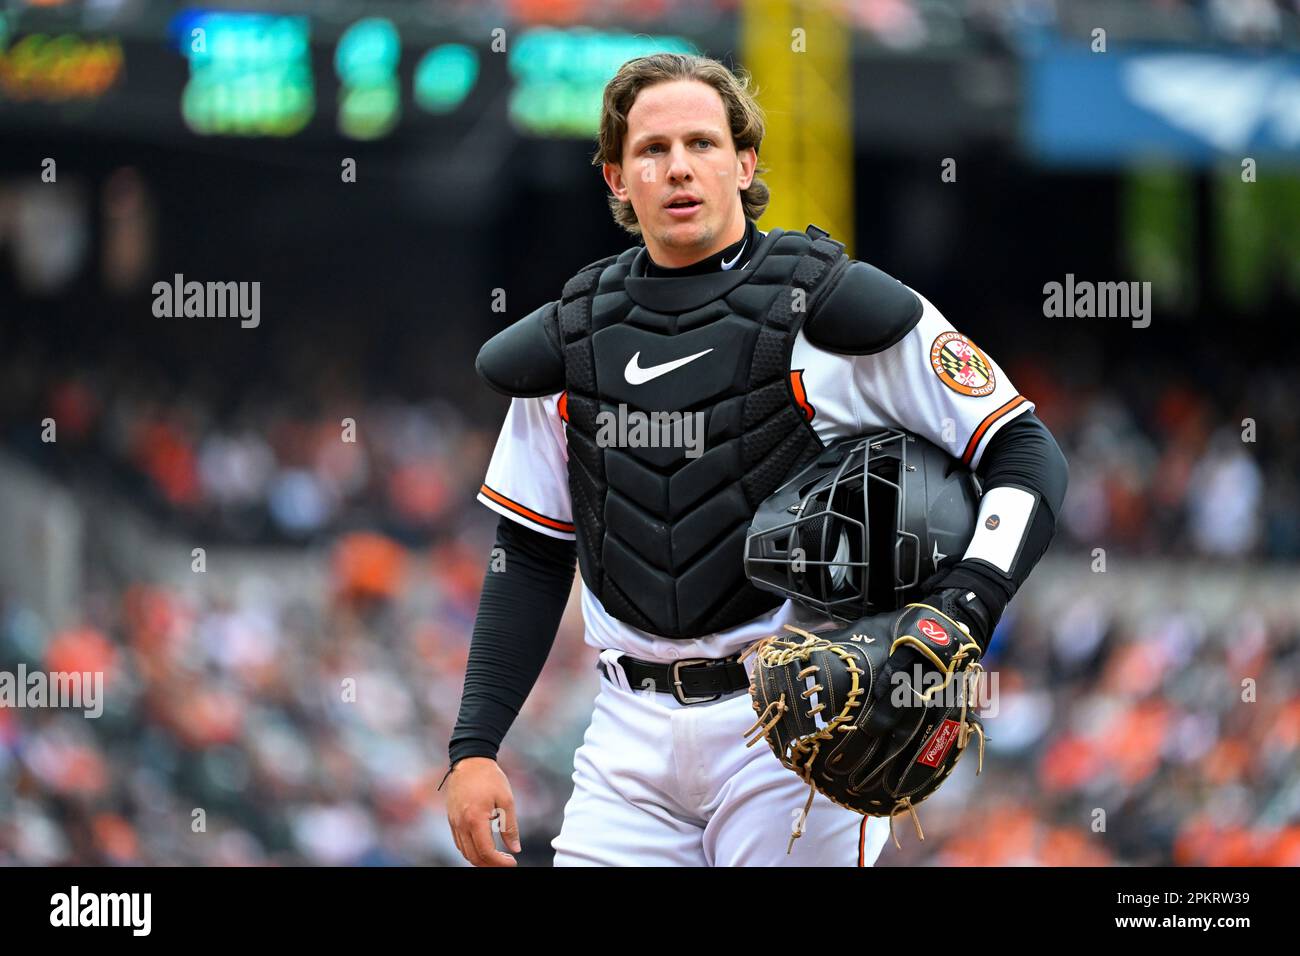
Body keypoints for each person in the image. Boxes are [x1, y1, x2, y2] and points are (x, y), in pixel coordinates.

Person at [443, 52, 1067, 867]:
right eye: (651, 150)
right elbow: (529, 552)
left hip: (793, 715)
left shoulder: (835, 308)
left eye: (702, 143)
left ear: (744, 161)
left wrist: (966, 603)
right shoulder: (572, 338)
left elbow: (1023, 448)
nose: (678, 168)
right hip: (626, 737)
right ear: (616, 178)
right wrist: (474, 743)